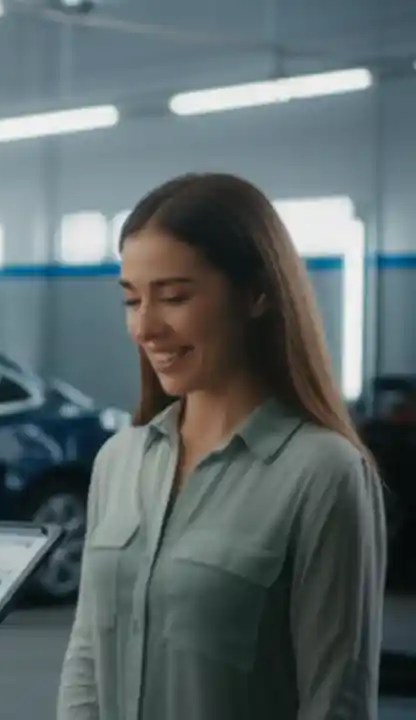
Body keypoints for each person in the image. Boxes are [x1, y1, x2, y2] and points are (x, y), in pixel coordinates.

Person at [57, 173, 387, 720]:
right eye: (132, 300)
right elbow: (87, 659)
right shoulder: (120, 461)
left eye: (174, 297)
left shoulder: (323, 473)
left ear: (257, 292)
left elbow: (336, 701)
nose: (146, 327)